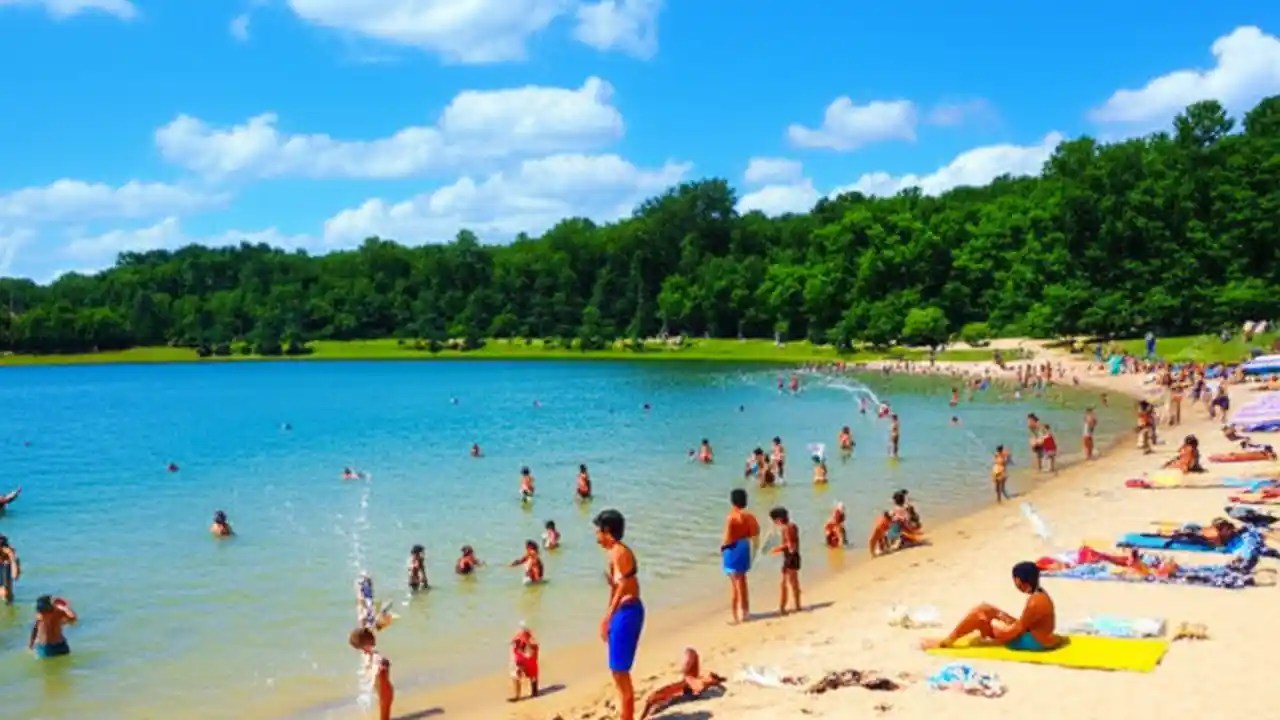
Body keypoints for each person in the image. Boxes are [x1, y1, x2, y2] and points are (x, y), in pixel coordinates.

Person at [921, 561, 1060, 651]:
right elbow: (1026, 624)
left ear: (1019, 581)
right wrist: (998, 616)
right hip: (1036, 635)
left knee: (978, 617)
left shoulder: (1034, 603)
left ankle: (946, 642)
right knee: (985, 608)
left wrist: (992, 630)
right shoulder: (1040, 594)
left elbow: (1015, 632)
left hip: (1036, 642)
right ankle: (952, 638)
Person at [595, 509, 644, 720]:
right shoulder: (613, 553)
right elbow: (615, 589)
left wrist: (608, 617)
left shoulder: (619, 552)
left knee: (620, 672)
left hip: (629, 611)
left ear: (607, 531)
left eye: (598, 530)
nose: (596, 535)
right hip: (622, 613)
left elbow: (624, 587)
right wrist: (608, 617)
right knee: (617, 671)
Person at [639, 647, 726, 720]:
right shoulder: (697, 681)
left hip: (681, 694)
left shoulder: (694, 682)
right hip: (684, 691)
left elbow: (653, 700)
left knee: (658, 700)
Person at [721, 488, 760, 624]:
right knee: (742, 580)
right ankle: (745, 611)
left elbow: (728, 538)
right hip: (744, 545)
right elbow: (755, 532)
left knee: (734, 583)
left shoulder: (731, 517)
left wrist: (722, 548)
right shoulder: (750, 517)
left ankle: (735, 615)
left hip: (733, 548)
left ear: (732, 501)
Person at [349, 627, 393, 720]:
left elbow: (383, 662)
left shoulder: (376, 655)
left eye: (361, 648)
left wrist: (381, 666)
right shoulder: (370, 654)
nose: (362, 651)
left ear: (367, 643)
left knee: (384, 716)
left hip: (385, 691)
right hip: (381, 690)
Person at [768, 507, 802, 615]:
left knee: (785, 584)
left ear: (778, 519)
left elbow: (790, 546)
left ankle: (782, 608)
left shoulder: (786, 528)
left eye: (774, 521)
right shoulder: (793, 526)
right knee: (793, 583)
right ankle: (797, 605)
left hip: (790, 558)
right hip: (795, 557)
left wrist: (776, 549)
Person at [509, 622, 540, 701]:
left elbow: (512, 643)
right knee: (533, 675)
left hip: (521, 659)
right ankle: (534, 692)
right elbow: (535, 647)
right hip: (530, 659)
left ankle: (517, 695)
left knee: (516, 676)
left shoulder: (518, 636)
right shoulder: (530, 637)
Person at [0, 534, 20, 605]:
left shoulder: (10, 557)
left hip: (7, 601)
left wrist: (12, 557)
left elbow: (15, 576)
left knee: (5, 593)